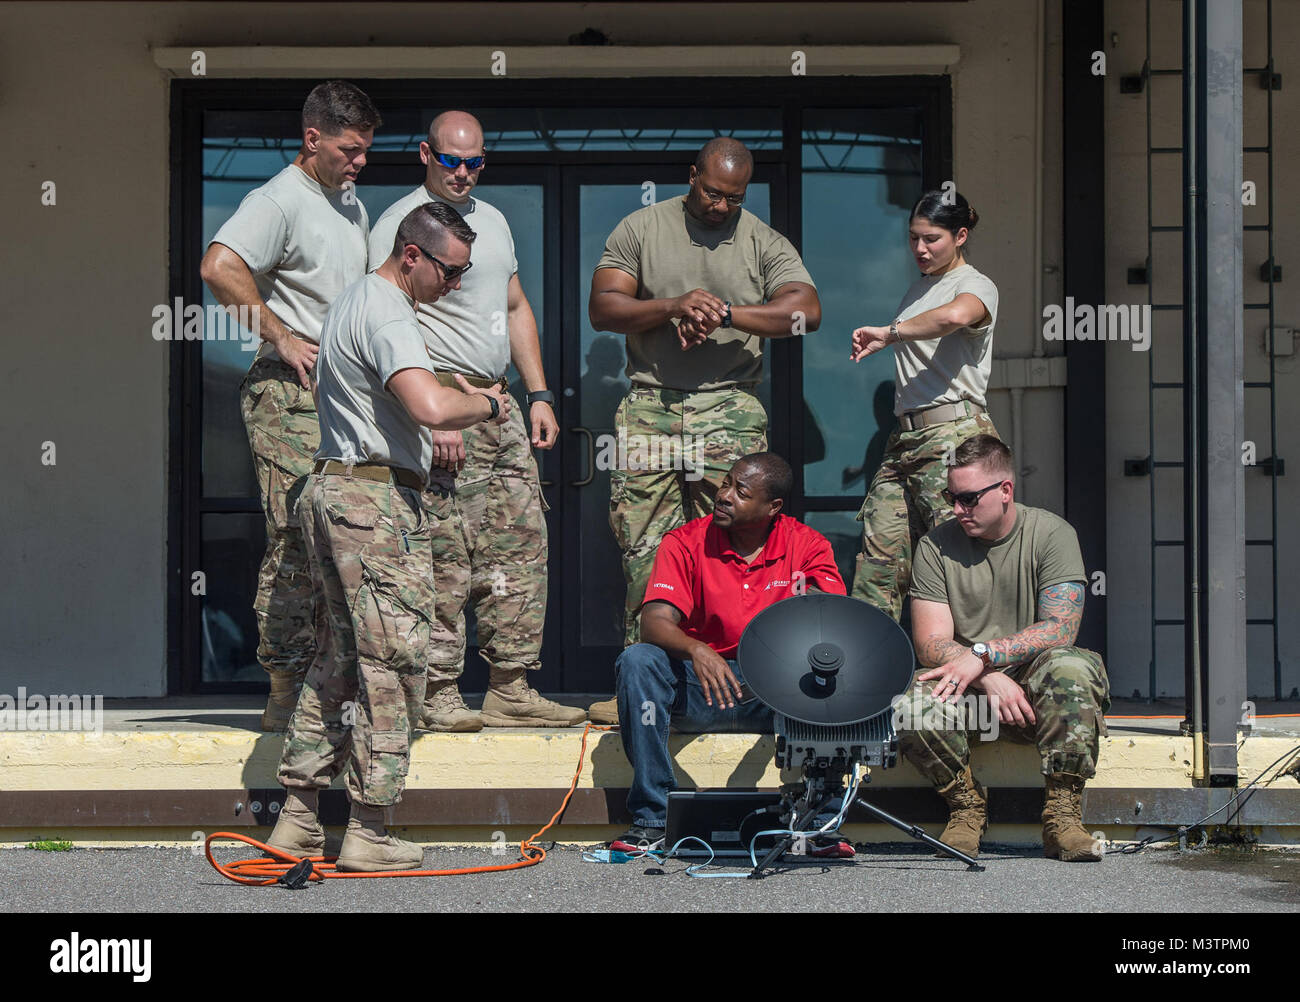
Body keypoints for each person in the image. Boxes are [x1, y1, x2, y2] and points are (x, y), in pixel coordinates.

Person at [266, 202, 512, 871]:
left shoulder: (353, 301)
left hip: (335, 489)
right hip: (372, 502)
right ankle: (370, 829)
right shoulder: (388, 310)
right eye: (451, 272)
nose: (456, 285)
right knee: (396, 664)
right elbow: (430, 407)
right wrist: (490, 402)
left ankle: (297, 820)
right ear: (412, 255)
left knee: (336, 664)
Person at [367, 111, 583, 730]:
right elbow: (393, 320)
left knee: (519, 545)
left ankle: (511, 687)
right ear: (425, 155)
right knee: (445, 552)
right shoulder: (399, 226)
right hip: (440, 408)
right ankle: (437, 690)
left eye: (475, 161)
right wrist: (431, 411)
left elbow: (514, 306)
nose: (463, 173)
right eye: (451, 160)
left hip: (498, 402)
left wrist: (538, 392)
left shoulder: (493, 221)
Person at [589, 136, 822, 695]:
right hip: (652, 406)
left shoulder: (762, 240)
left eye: (734, 199)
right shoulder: (641, 227)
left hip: (730, 407)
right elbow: (603, 308)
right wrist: (672, 305)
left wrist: (724, 313)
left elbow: (806, 311)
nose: (721, 207)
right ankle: (643, 686)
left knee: (731, 544)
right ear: (692, 175)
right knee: (645, 546)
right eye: (713, 193)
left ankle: (744, 679)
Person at [200, 80, 380, 730]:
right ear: (313, 138)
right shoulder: (279, 199)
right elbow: (219, 266)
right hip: (288, 392)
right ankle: (285, 683)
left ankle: (328, 682)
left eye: (365, 150)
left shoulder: (348, 206)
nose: (360, 161)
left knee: (342, 535)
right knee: (296, 535)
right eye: (350, 149)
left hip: (341, 398)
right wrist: (281, 335)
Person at [610, 453, 851, 855]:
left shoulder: (807, 545)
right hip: (699, 687)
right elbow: (653, 622)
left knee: (831, 671)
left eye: (741, 492)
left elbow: (833, 620)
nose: (724, 496)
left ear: (772, 507)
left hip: (776, 693)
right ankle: (652, 818)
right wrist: (697, 649)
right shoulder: (685, 541)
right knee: (638, 661)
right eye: (725, 484)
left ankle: (821, 822)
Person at [894, 435, 1110, 862]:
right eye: (951, 497)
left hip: (1036, 698)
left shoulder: (1052, 534)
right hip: (973, 697)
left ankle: (1062, 815)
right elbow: (930, 642)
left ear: (1005, 491)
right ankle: (965, 807)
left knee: (1072, 668)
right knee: (910, 704)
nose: (958, 509)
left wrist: (984, 654)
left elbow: (1059, 629)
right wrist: (986, 672)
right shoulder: (936, 546)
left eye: (970, 498)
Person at [847, 189, 1001, 621]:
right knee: (880, 558)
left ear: (961, 235)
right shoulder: (919, 289)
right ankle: (869, 673)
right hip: (906, 440)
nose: (919, 248)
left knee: (958, 556)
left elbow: (954, 317)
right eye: (913, 237)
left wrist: (890, 332)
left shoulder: (975, 284)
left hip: (955, 436)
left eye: (932, 238)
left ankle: (976, 671)